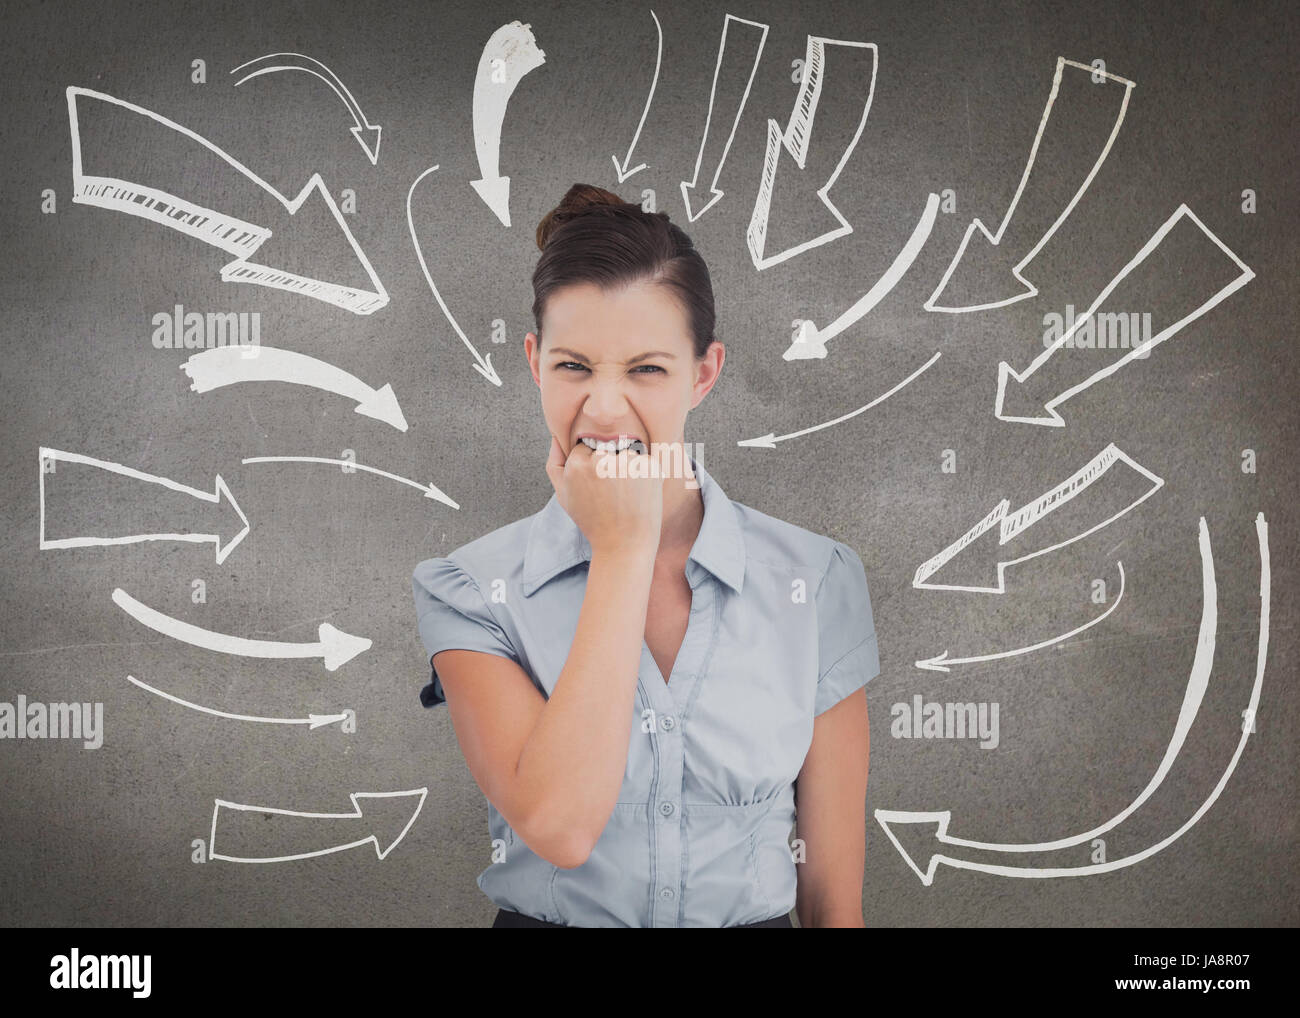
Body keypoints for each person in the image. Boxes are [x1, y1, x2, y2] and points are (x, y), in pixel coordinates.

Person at [411, 184, 880, 927]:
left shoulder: (816, 581)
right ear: (534, 362)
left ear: (703, 373)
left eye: (646, 369)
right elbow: (560, 826)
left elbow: (831, 903)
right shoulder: (470, 590)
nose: (603, 408)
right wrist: (623, 549)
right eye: (573, 366)